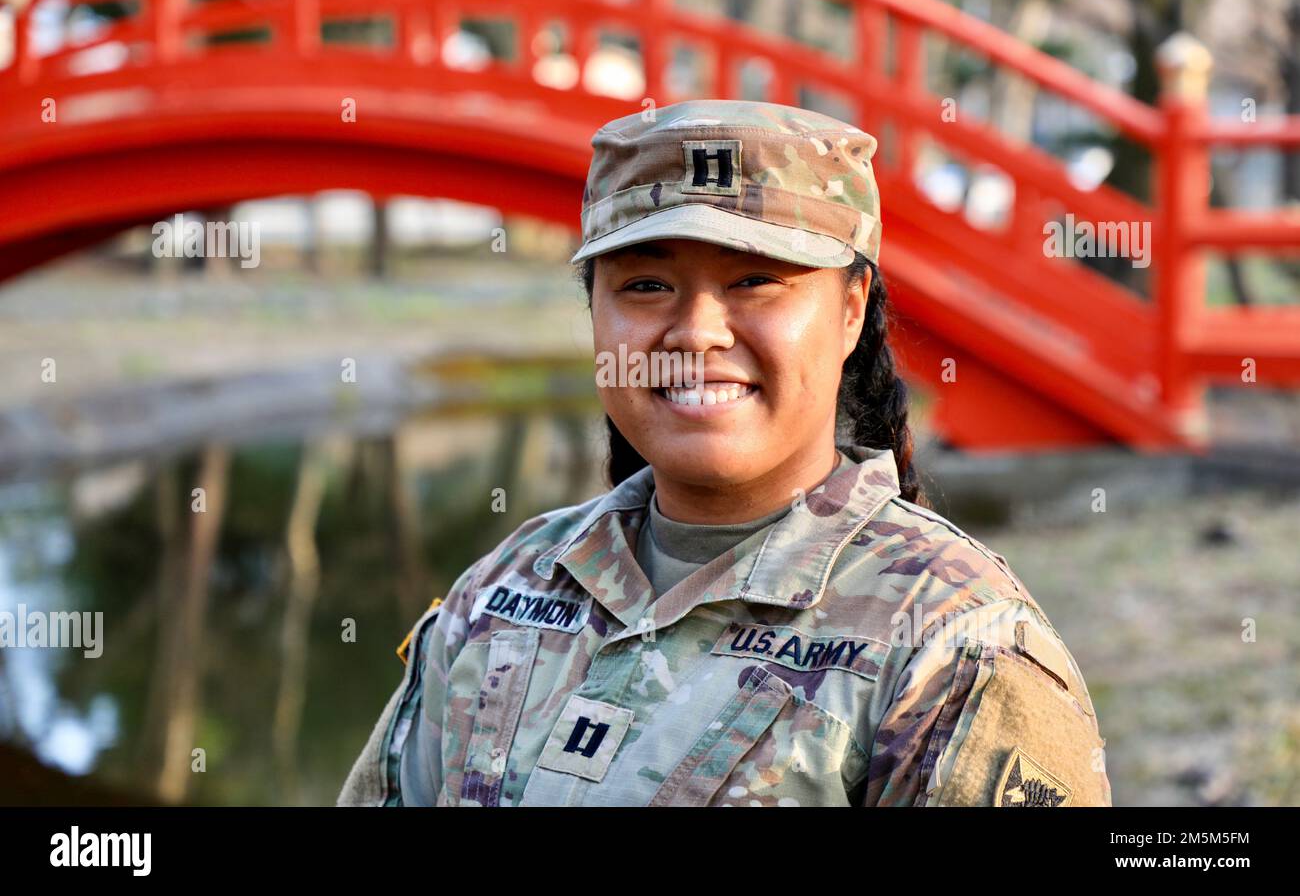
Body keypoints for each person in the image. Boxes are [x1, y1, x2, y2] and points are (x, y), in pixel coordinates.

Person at [338, 99, 1112, 807]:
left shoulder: (952, 647)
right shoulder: (502, 594)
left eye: (754, 281)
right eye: (645, 285)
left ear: (848, 313)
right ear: (595, 314)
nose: (698, 333)